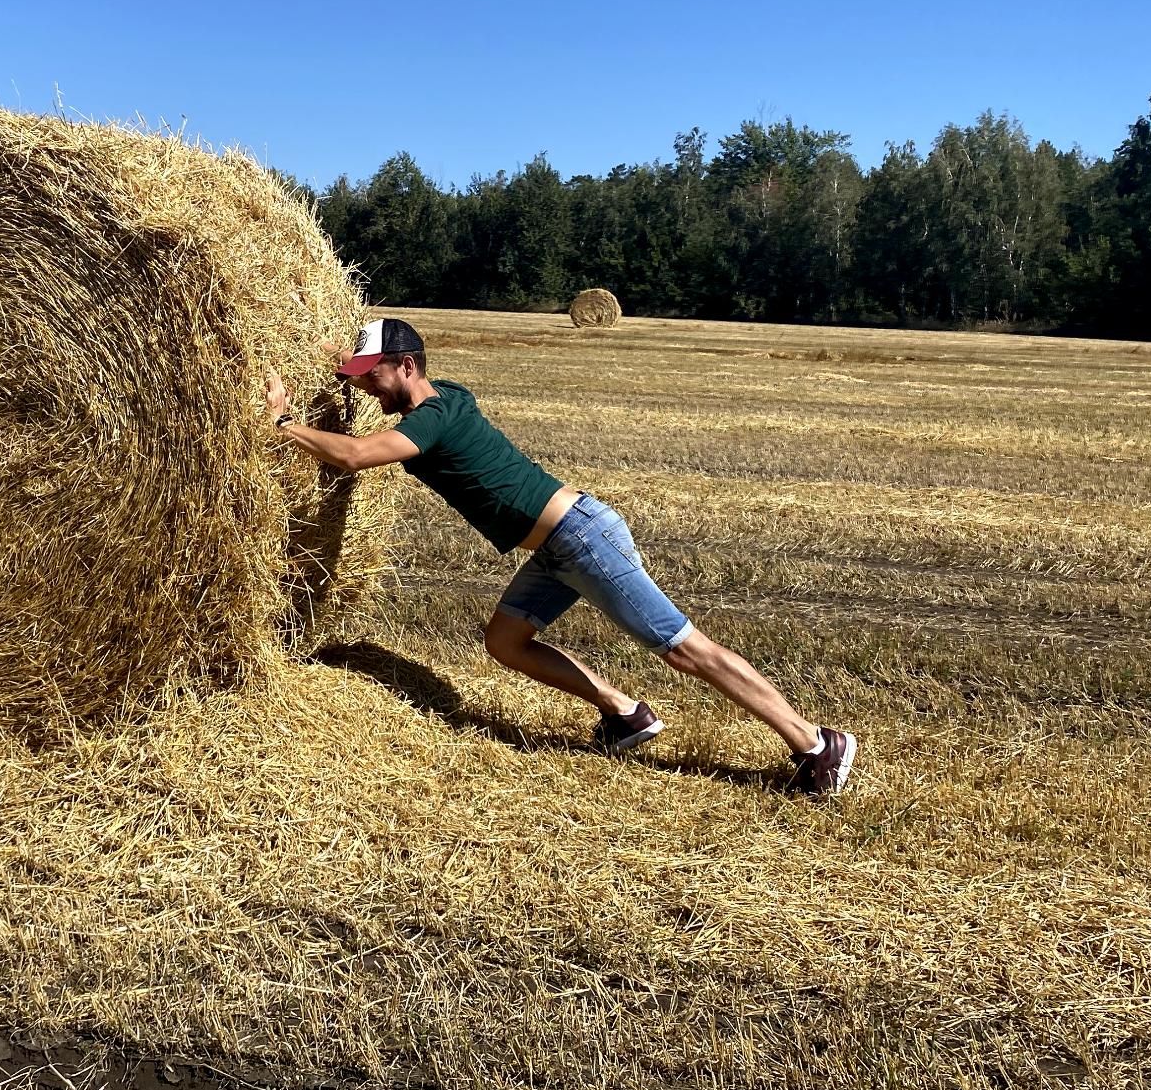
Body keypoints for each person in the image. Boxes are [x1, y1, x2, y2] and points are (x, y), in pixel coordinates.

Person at [264, 317, 856, 796]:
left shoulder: (435, 417)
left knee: (684, 649)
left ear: (408, 365)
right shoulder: (449, 396)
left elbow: (352, 456)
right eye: (358, 377)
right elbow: (370, 387)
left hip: (582, 539)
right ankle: (624, 713)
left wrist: (285, 424)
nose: (363, 386)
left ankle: (814, 742)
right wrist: (320, 347)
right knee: (505, 642)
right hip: (555, 548)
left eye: (372, 375)